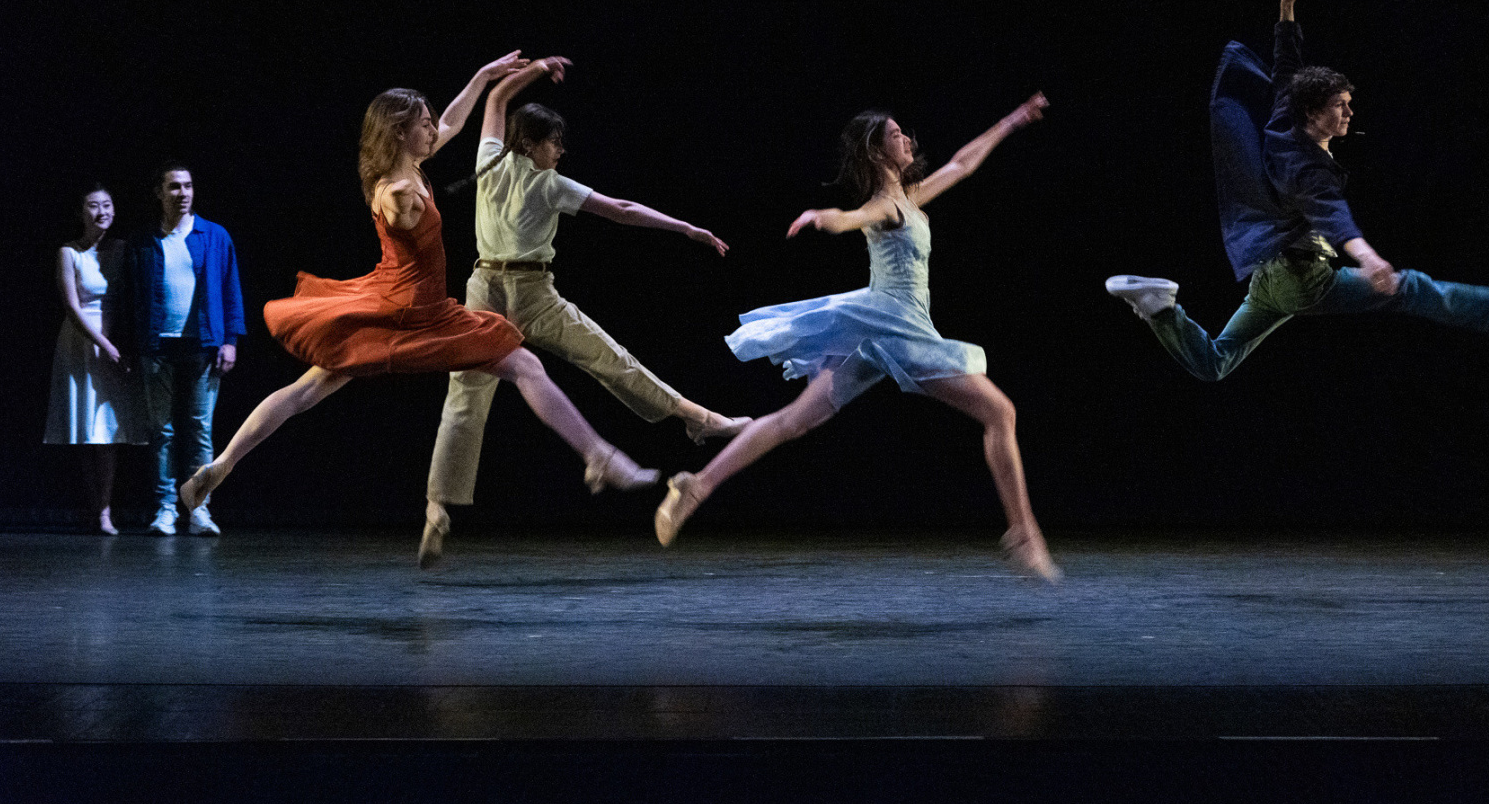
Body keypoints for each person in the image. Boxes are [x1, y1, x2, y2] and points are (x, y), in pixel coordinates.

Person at [176, 52, 659, 562]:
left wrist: (484, 76)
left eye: (430, 122)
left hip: (398, 299)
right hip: (415, 312)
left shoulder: (411, 168)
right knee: (522, 364)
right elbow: (395, 207)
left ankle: (223, 464)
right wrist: (397, 207)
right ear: (399, 132)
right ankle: (597, 455)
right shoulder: (397, 188)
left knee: (309, 389)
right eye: (423, 124)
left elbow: (454, 121)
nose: (434, 129)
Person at [1106, 0, 1489, 380]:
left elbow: (1286, 64)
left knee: (1216, 362)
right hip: (1301, 279)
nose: (1350, 113)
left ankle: (1161, 309)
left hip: (1269, 276)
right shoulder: (1307, 166)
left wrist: (1286, 8)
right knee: (1411, 288)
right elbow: (1330, 212)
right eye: (1341, 105)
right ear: (1314, 112)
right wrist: (1369, 259)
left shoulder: (1284, 118)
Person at [653, 94, 1062, 581]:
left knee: (793, 421)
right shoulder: (885, 205)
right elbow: (851, 218)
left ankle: (698, 484)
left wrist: (1012, 120)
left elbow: (962, 164)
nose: (906, 139)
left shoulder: (909, 199)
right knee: (1000, 411)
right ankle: (1023, 533)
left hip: (883, 329)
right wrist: (823, 218)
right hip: (893, 327)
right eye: (895, 135)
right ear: (875, 152)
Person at [422, 58, 750, 566]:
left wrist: (534, 70)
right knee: (608, 357)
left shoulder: (489, 161)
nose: (560, 151)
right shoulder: (550, 184)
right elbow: (622, 210)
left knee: (465, 395)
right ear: (532, 144)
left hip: (484, 288)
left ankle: (437, 508)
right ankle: (698, 418)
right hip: (531, 293)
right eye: (554, 142)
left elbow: (496, 100)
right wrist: (687, 228)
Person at [125, 161, 245, 535]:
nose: (182, 193)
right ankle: (165, 508)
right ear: (159, 193)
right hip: (157, 345)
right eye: (174, 187)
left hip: (203, 345)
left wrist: (230, 341)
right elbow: (131, 298)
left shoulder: (215, 235)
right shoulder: (144, 241)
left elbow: (231, 290)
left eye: (188, 186)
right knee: (161, 430)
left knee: (200, 430)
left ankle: (198, 508)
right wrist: (130, 346)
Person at [44, 184, 145, 533]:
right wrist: (105, 344)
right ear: (81, 212)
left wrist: (121, 344)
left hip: (116, 341)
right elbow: (72, 307)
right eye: (93, 205)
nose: (102, 211)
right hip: (81, 344)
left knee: (108, 431)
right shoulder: (68, 252)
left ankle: (105, 509)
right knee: (86, 431)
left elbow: (133, 298)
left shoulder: (123, 249)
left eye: (107, 204)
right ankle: (95, 508)